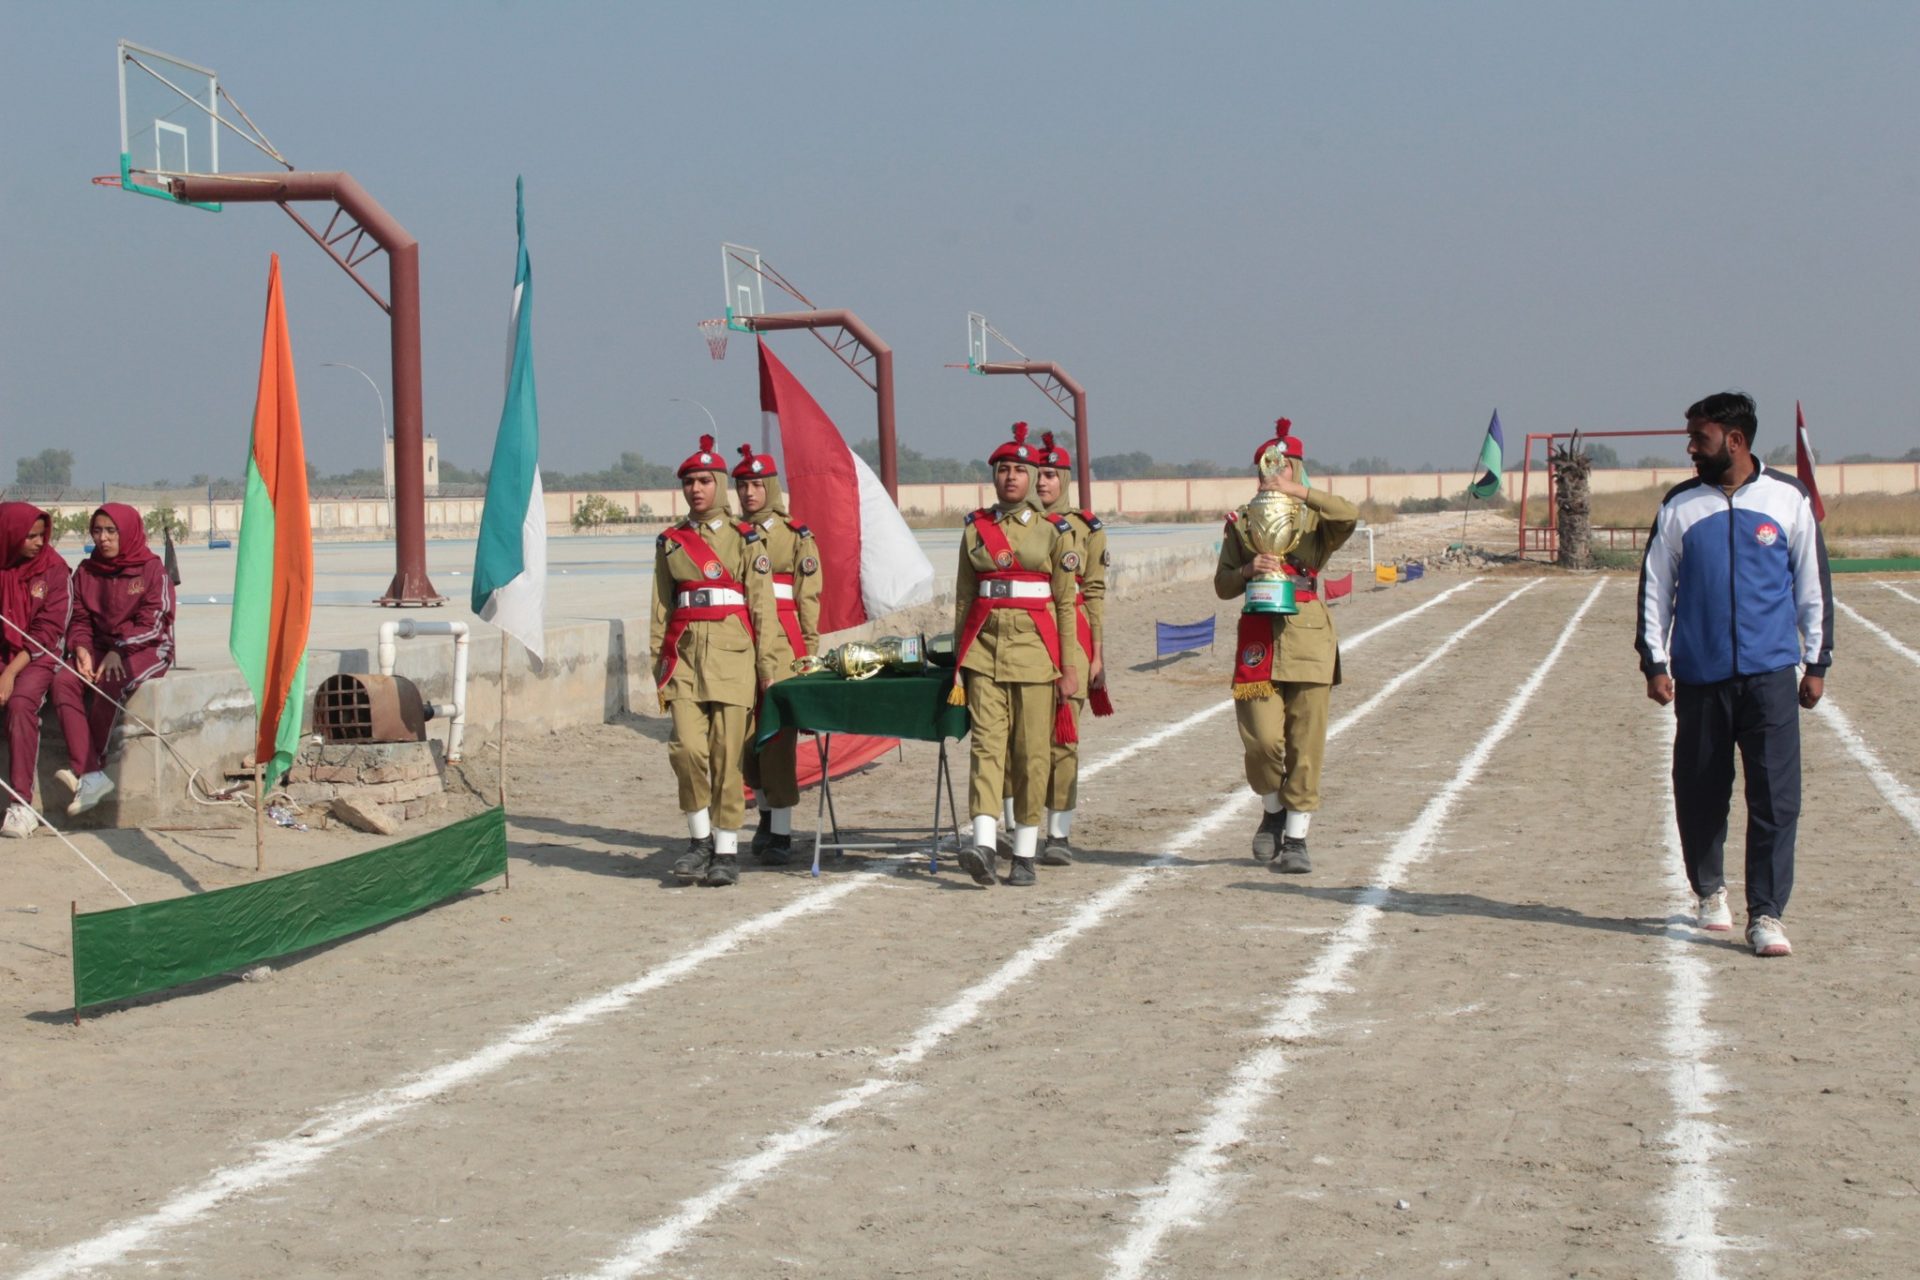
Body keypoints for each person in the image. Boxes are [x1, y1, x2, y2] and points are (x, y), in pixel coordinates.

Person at [1636, 391, 1831, 958]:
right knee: (1700, 789)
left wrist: (1816, 662)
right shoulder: (1679, 507)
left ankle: (1766, 913)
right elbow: (1655, 589)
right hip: (1700, 678)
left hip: (1770, 676)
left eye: (1700, 437)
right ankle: (1709, 890)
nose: (1691, 448)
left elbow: (1812, 587)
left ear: (1735, 441)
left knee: (1776, 797)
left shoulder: (1787, 499)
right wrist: (1655, 660)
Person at [1213, 418, 1358, 874]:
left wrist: (1297, 494)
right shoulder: (1242, 520)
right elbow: (1221, 586)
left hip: (1309, 640)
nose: (1270, 475)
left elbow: (1349, 514)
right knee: (1262, 740)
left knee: (1305, 743)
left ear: (1296, 468)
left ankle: (1296, 838)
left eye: (1281, 466)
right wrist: (1247, 570)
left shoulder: (1318, 520)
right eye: (1264, 468)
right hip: (1259, 640)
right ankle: (1272, 809)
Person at [948, 422, 1079, 888]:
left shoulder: (1054, 532)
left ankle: (1024, 850)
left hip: (1036, 657)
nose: (1010, 478)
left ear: (1032, 477)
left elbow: (1066, 605)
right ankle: (983, 843)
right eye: (1002, 470)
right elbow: (965, 599)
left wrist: (1069, 668)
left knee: (1031, 755)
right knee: (987, 748)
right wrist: (959, 663)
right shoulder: (974, 528)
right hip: (984, 654)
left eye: (1019, 471)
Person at [650, 435, 780, 887]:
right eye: (689, 482)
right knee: (686, 749)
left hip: (733, 662)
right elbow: (661, 610)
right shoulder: (671, 542)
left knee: (728, 757)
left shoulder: (747, 539)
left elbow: (763, 609)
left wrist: (768, 672)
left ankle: (726, 849)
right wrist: (659, 668)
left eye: (705, 480)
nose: (696, 489)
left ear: (720, 484)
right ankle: (698, 840)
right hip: (684, 661)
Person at [49, 504, 176, 815]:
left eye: (111, 531)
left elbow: (154, 621)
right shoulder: (86, 571)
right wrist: (80, 648)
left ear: (127, 532)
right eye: (97, 531)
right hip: (100, 646)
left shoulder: (151, 570)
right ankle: (91, 773)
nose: (103, 538)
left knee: (110, 682)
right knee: (64, 680)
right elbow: (78, 617)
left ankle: (91, 767)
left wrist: (119, 649)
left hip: (145, 647)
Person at [732, 442, 822, 866]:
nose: (749, 493)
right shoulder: (731, 534)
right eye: (741, 486)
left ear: (770, 486)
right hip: (739, 642)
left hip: (785, 644)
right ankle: (766, 815)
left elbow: (809, 599)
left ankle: (783, 832)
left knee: (778, 740)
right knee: (748, 741)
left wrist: (810, 653)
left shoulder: (796, 535)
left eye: (755, 484)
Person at [1032, 429, 1109, 865]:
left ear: (1064, 479)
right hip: (1025, 632)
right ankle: (1014, 824)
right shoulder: (1013, 526)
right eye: (1036, 475)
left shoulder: (1087, 529)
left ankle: (1058, 833)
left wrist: (1096, 654)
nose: (1042, 483)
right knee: (1020, 740)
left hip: (1073, 637)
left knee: (1064, 739)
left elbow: (1095, 593)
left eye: (1049, 475)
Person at [0, 504, 70, 837]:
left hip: (37, 657)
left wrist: (10, 674)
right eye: (30, 537)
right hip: (3, 654)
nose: (39, 543)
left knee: (18, 704)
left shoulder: (55, 570)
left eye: (42, 535)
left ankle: (21, 806)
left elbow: (46, 633)